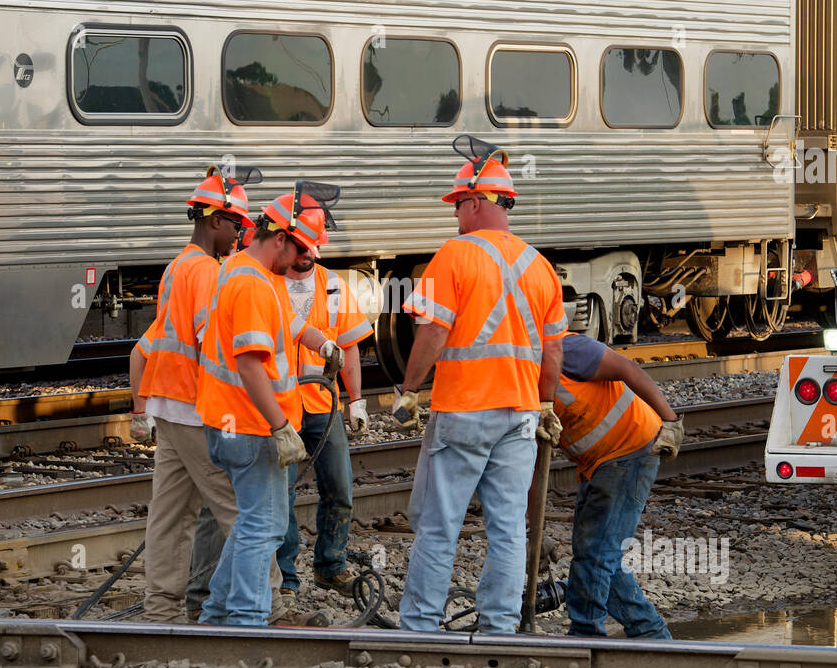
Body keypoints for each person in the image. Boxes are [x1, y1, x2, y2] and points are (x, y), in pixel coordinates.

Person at [393, 137, 567, 635]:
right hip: (520, 415)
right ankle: (500, 626)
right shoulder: (540, 266)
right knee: (509, 527)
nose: (455, 216)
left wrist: (409, 388)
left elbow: (433, 331)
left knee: (439, 523)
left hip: (465, 409)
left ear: (474, 202)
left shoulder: (454, 255)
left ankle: (421, 626)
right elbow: (553, 352)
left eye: (457, 207)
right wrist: (546, 403)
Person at [196, 186, 345, 626]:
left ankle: (215, 615)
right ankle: (247, 620)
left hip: (237, 422)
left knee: (254, 526)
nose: (305, 260)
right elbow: (249, 365)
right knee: (262, 529)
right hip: (250, 426)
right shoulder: (252, 284)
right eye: (301, 248)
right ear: (280, 236)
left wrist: (322, 341)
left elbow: (289, 321)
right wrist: (280, 425)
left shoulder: (251, 273)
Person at [128, 165, 255, 623]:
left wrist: (140, 406)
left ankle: (161, 611)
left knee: (170, 514)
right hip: (196, 410)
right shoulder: (206, 273)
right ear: (216, 220)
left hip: (167, 407)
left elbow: (147, 345)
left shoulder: (176, 266)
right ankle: (272, 605)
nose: (240, 234)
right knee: (241, 510)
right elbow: (213, 347)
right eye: (236, 224)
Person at [552, 331, 684, 639]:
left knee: (597, 556)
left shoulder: (567, 348)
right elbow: (532, 458)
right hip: (598, 463)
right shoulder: (520, 372)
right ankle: (650, 633)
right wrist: (533, 529)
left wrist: (671, 420)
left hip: (632, 448)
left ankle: (586, 637)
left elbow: (629, 369)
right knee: (596, 554)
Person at [276, 232, 374, 605]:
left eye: (311, 251)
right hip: (283, 406)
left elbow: (348, 345)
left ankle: (330, 566)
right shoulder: (268, 282)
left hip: (322, 403)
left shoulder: (332, 284)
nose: (305, 257)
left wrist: (357, 401)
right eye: (299, 250)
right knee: (281, 494)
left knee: (340, 488)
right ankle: (285, 576)